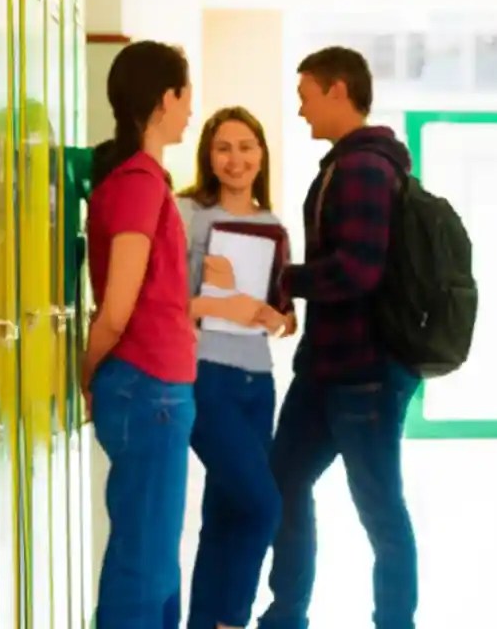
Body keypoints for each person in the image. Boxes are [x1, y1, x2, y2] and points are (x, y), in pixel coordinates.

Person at [258, 47, 421, 629]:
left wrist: (280, 279)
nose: (300, 110)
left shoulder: (363, 168)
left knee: (379, 510)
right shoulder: (346, 164)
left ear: (337, 90)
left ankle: (394, 622)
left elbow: (358, 270)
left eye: (305, 95)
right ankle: (287, 614)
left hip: (364, 374)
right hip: (328, 368)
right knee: (283, 482)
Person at [82, 40, 196, 628]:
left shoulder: (148, 180)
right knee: (144, 565)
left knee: (155, 561)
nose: (190, 110)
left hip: (160, 390)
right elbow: (118, 310)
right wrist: (88, 372)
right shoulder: (137, 183)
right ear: (164, 98)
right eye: (186, 94)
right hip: (147, 390)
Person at [177, 107, 296, 629]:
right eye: (224, 147)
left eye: (247, 146)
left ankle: (205, 622)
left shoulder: (273, 226)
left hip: (258, 382)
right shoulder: (188, 215)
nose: (236, 159)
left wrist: (275, 317)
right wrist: (221, 301)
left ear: (262, 155)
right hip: (207, 378)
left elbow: (285, 318)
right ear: (208, 154)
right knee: (263, 506)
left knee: (225, 513)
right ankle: (231, 621)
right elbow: (169, 302)